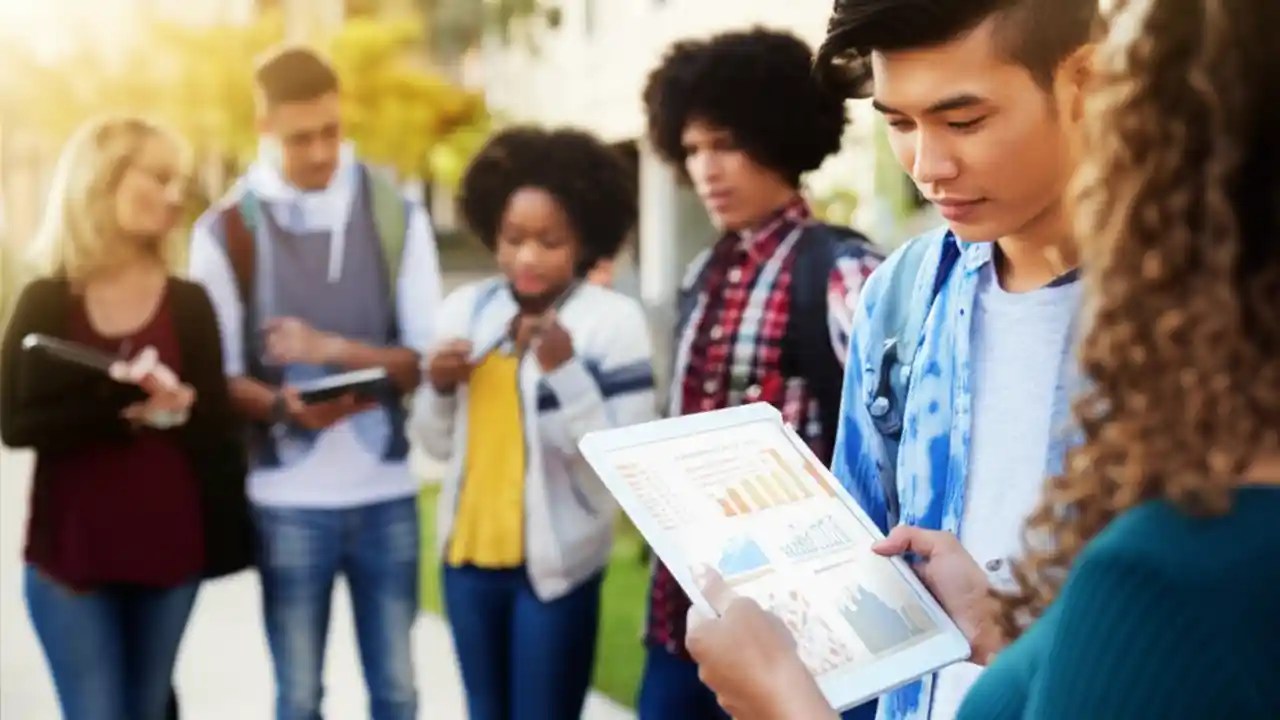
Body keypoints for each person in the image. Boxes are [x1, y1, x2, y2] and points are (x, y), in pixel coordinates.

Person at [683, 0, 1280, 718]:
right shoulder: (900, 297)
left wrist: (782, 703)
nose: (929, 167)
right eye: (898, 123)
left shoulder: (1208, 312)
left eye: (964, 121)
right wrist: (1002, 624)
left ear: (1087, 83)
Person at [187, 46, 442, 720]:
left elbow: (421, 358)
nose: (324, 150)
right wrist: (280, 406)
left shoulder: (397, 214)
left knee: (398, 692)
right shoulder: (222, 232)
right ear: (262, 123)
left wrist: (328, 348)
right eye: (303, 137)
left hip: (387, 495)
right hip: (284, 499)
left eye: (331, 130)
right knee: (298, 697)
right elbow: (217, 375)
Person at [637, 27, 883, 720]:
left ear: (777, 137)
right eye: (691, 150)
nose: (706, 168)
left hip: (805, 629)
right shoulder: (699, 276)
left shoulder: (842, 271)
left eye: (726, 144)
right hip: (685, 615)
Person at [0, 116, 253, 720]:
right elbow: (13, 424)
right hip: (70, 558)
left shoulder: (187, 302)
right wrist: (123, 404)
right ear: (101, 181)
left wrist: (184, 408)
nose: (175, 195)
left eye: (179, 181)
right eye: (159, 177)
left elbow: (216, 431)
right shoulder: (47, 300)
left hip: (168, 556)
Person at [411, 126, 656, 720]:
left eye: (549, 240)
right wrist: (439, 387)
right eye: (513, 237)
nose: (527, 256)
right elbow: (433, 442)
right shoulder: (466, 310)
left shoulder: (612, 323)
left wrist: (565, 370)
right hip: (467, 560)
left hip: (556, 567)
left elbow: (621, 465)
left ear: (585, 239)